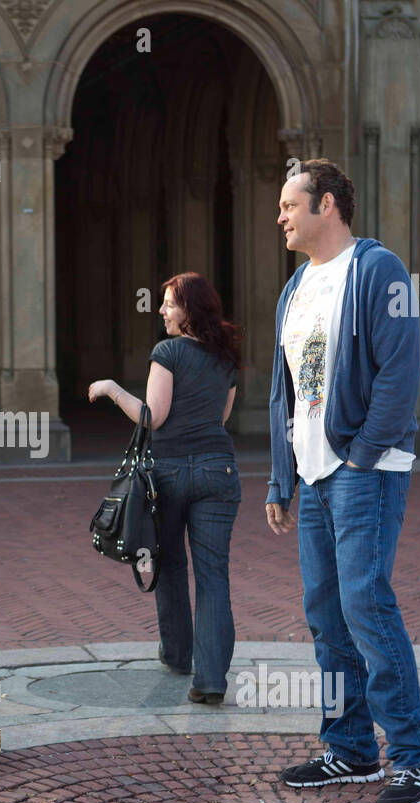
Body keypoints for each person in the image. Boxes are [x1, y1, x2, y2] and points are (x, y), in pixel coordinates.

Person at [266, 158, 420, 803]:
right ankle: (350, 750)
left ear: (329, 207)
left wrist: (364, 456)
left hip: (362, 472)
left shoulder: (378, 270)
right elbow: (283, 390)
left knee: (367, 604)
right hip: (312, 477)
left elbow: (400, 374)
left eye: (290, 204)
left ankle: (417, 758)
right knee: (326, 615)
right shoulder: (295, 287)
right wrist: (281, 478)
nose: (280, 216)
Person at [88, 273, 241, 704]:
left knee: (171, 564)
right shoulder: (227, 356)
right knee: (214, 576)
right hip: (218, 471)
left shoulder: (168, 352)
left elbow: (152, 417)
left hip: (170, 474)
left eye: (169, 304)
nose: (161, 311)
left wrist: (112, 389)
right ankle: (211, 680)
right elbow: (221, 418)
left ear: (189, 310)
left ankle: (177, 654)